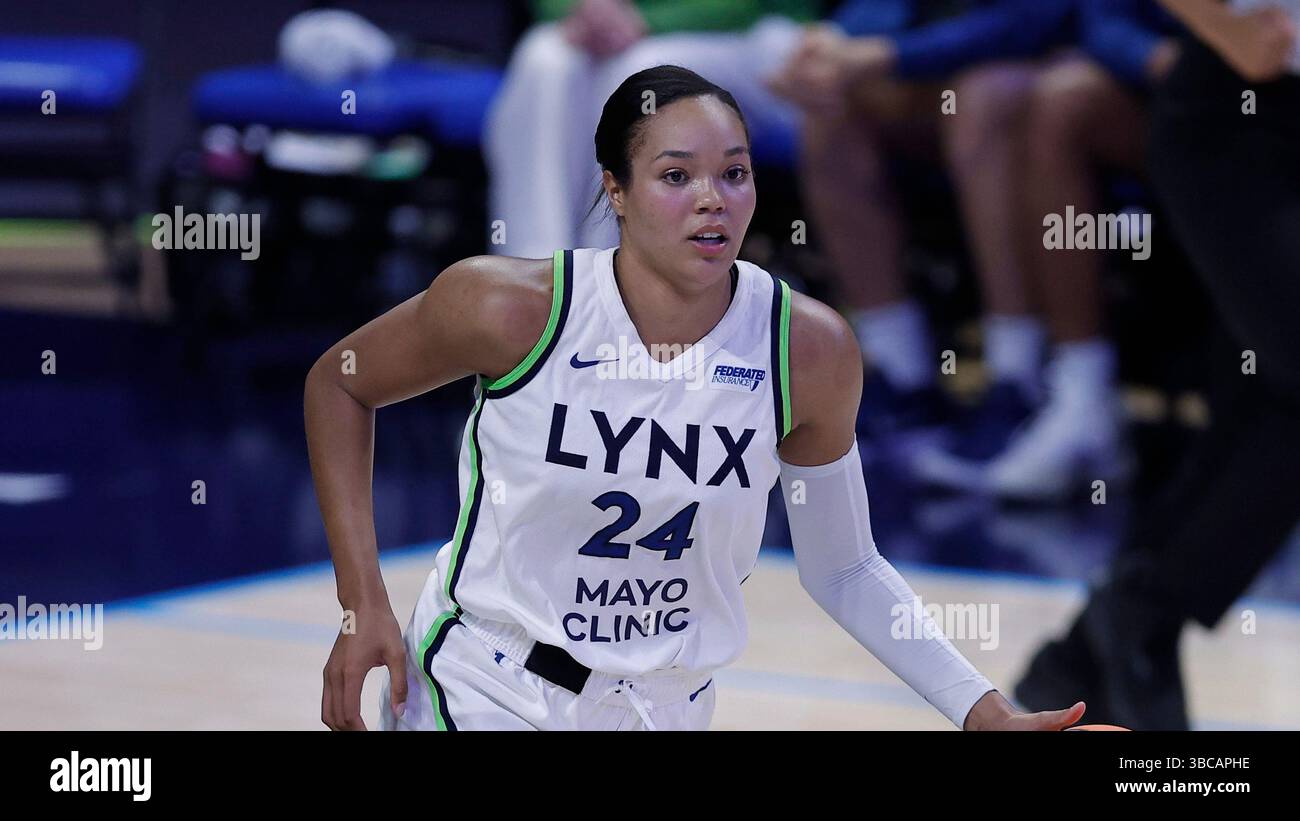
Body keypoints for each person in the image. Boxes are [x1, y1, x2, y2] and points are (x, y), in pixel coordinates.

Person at [306, 65, 1085, 731]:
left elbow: (844, 569)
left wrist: (982, 710)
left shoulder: (806, 349)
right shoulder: (510, 307)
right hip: (486, 685)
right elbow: (339, 384)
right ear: (616, 189)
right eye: (677, 176)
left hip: (666, 706)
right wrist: (360, 602)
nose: (713, 199)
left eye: (734, 173)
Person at [1016, 0, 1300, 729]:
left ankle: (1087, 652)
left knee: (1265, 404)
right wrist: (1221, 21)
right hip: (1241, 118)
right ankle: (1135, 618)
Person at [767, 0, 1073, 444]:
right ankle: (899, 375)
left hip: (1046, 66)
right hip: (939, 73)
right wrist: (834, 44)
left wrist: (891, 54)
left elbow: (1039, 20)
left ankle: (1017, 376)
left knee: (985, 97)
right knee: (834, 102)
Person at [913, 0, 1184, 500]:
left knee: (1050, 97)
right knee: (1028, 99)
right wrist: (1156, 56)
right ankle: (1061, 392)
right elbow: (1101, 16)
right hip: (1168, 76)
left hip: (1256, 81)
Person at [485, 0, 819, 259]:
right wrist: (582, 11)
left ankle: (608, 276)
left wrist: (649, 22)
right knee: (545, 58)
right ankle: (536, 268)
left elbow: (742, 8)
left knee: (639, 73)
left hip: (758, 31)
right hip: (617, 26)